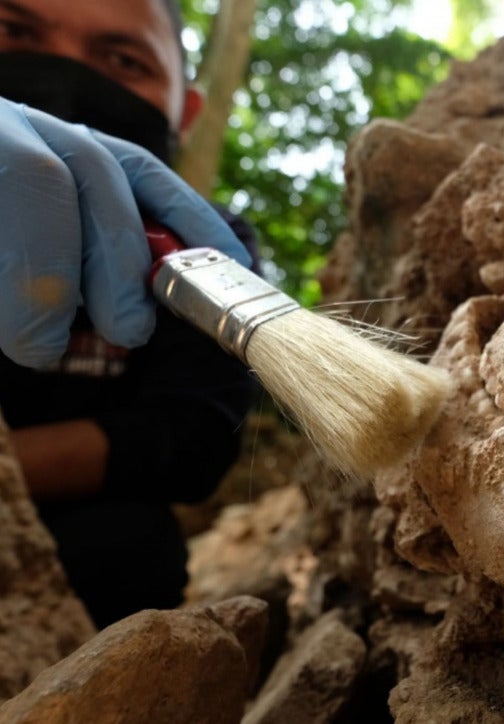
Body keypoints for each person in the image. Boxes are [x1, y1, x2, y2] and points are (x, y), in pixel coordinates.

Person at [0, 0, 260, 628]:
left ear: (185, 111)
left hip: (82, 548)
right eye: (16, 32)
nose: (62, 72)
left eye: (123, 59)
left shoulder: (206, 245)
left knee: (126, 545)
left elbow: (190, 438)